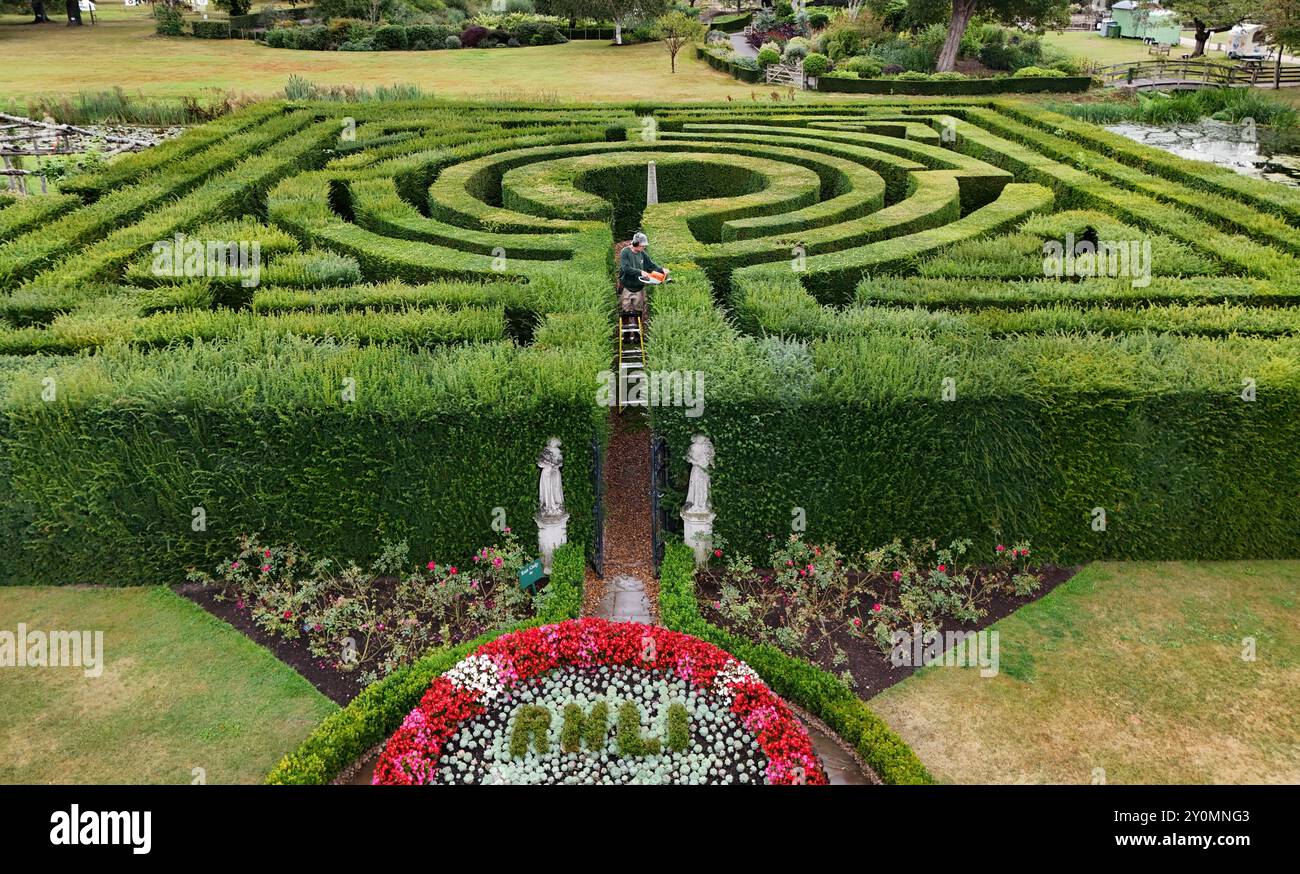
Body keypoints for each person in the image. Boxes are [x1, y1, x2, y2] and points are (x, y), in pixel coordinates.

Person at [617, 231, 668, 315]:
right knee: (625, 308)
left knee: (638, 308)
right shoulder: (625, 252)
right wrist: (640, 272)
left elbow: (651, 265)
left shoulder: (642, 253)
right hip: (627, 284)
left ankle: (638, 318)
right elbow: (626, 268)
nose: (644, 247)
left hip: (639, 285)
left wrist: (661, 270)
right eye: (642, 246)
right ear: (635, 243)